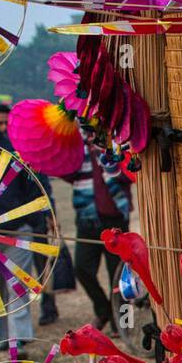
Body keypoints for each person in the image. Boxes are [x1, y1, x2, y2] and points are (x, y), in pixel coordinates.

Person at [64, 140, 132, 332]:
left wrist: (112, 167)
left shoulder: (118, 145)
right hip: (87, 218)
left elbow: (131, 175)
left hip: (115, 218)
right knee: (82, 267)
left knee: (121, 275)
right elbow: (68, 174)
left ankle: (125, 323)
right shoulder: (77, 149)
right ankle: (104, 311)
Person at [0, 103, 37, 349]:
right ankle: (2, 338)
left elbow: (34, 187)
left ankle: (17, 339)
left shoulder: (17, 151)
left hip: (17, 229)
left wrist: (36, 220)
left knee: (16, 284)